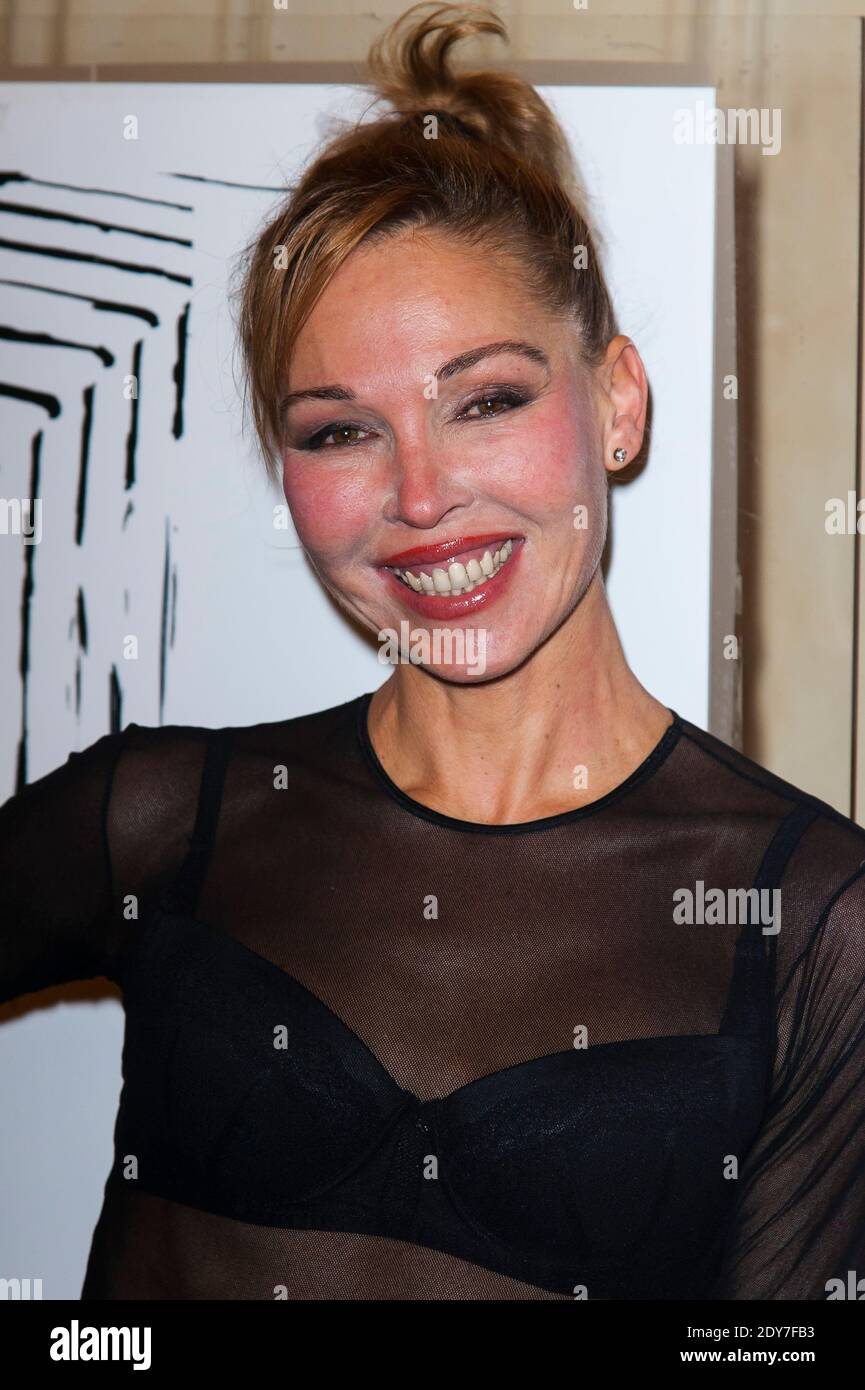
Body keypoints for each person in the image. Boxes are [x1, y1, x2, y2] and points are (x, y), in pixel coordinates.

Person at [2, 0, 865, 1301]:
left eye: (487, 401)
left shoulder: (810, 921)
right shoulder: (167, 816)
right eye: (339, 430)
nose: (420, 496)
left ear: (616, 401)